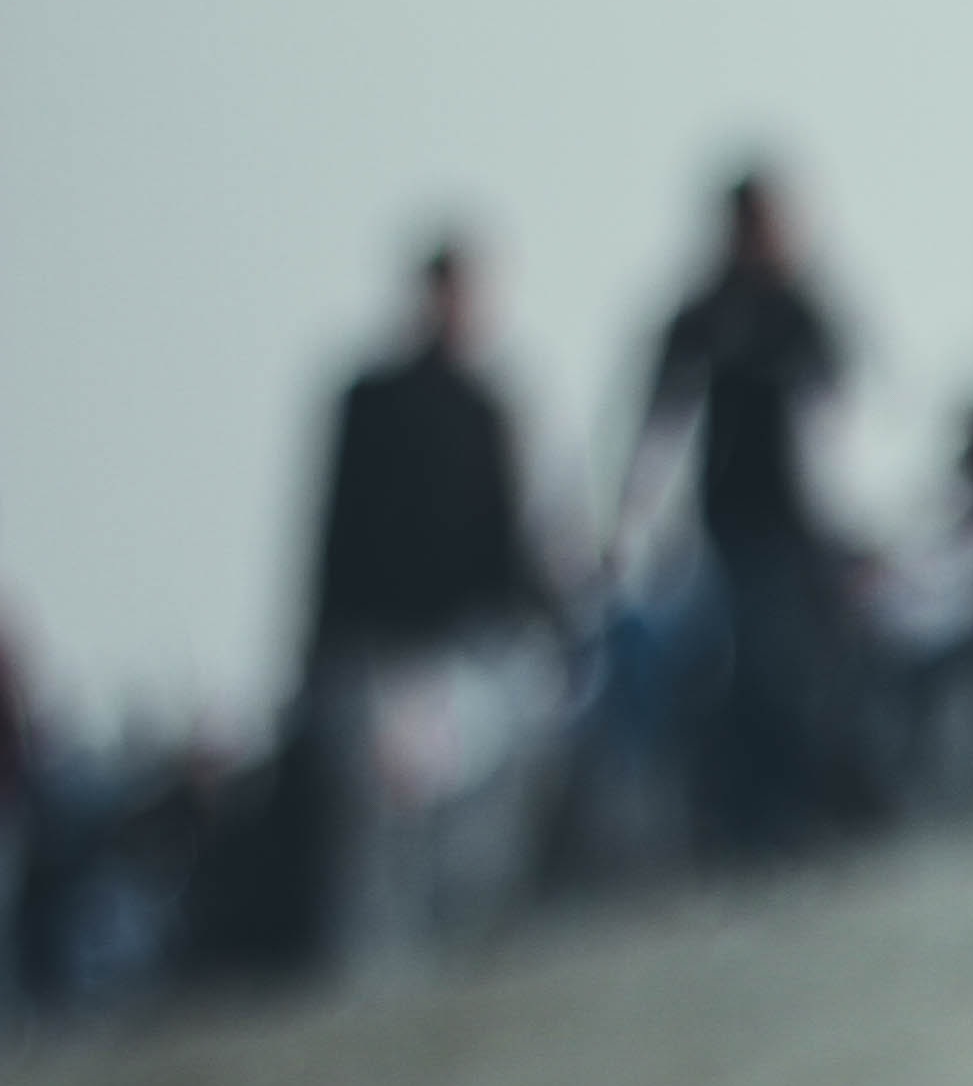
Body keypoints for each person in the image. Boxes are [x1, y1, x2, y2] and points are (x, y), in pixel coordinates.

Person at [296, 236, 566, 964]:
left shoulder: (487, 404)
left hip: (469, 650)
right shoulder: (375, 403)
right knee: (385, 829)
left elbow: (509, 535)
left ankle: (463, 949)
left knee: (473, 826)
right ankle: (378, 964)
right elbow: (336, 530)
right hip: (389, 653)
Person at [625, 168, 859, 855]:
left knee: (801, 673)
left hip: (803, 526)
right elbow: (660, 423)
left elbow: (841, 411)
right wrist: (631, 521)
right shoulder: (702, 316)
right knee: (749, 670)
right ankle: (751, 822)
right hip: (732, 526)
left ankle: (800, 816)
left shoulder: (803, 309)